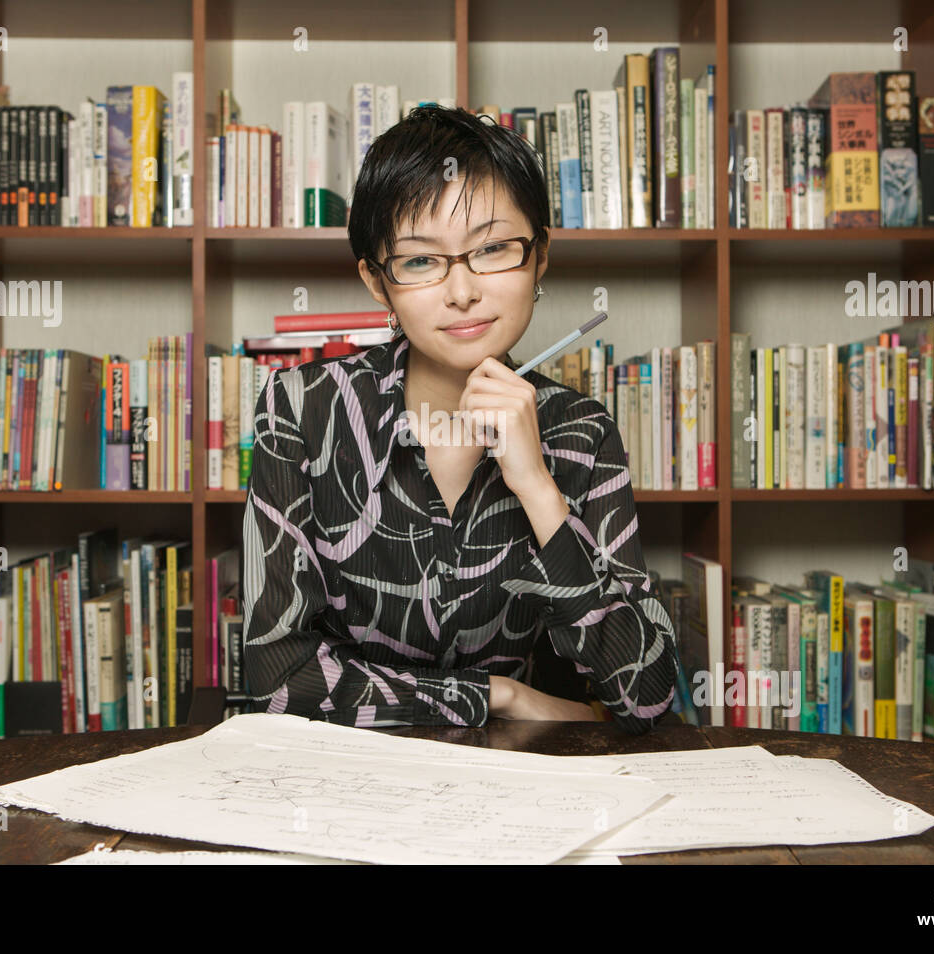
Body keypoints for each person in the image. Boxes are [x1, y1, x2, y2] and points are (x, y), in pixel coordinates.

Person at [241, 105, 678, 734]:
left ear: (541, 256)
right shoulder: (303, 410)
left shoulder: (582, 431)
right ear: (376, 280)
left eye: (494, 249)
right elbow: (277, 678)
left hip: (522, 791)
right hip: (348, 788)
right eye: (421, 261)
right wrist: (499, 697)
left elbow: (650, 699)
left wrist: (535, 485)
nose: (463, 291)